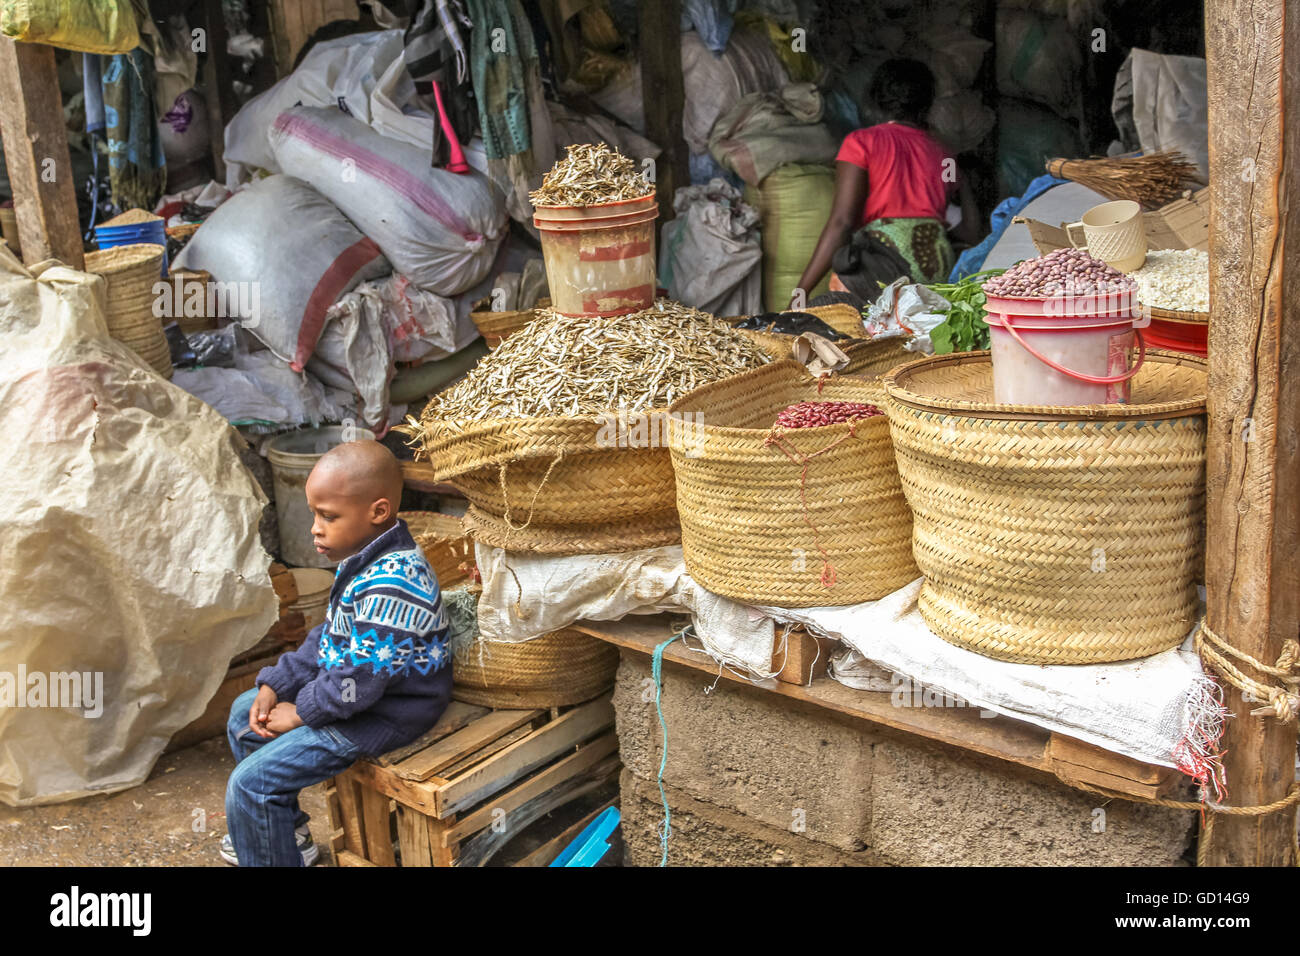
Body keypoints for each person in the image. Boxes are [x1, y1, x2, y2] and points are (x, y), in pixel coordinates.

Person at [221, 440, 451, 866]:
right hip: (356, 696)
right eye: (314, 514)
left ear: (378, 512)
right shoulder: (364, 561)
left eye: (328, 516)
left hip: (386, 714)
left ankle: (270, 850)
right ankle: (286, 837)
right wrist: (277, 684)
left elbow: (357, 686)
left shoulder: (393, 583)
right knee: (244, 713)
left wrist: (301, 712)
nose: (315, 527)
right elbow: (331, 635)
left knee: (250, 784)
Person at [792, 58, 980, 306]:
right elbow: (970, 232)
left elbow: (842, 222)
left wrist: (801, 292)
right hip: (936, 270)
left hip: (886, 267)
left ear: (876, 98)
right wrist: (963, 179)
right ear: (927, 103)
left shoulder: (862, 143)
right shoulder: (943, 153)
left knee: (824, 320)